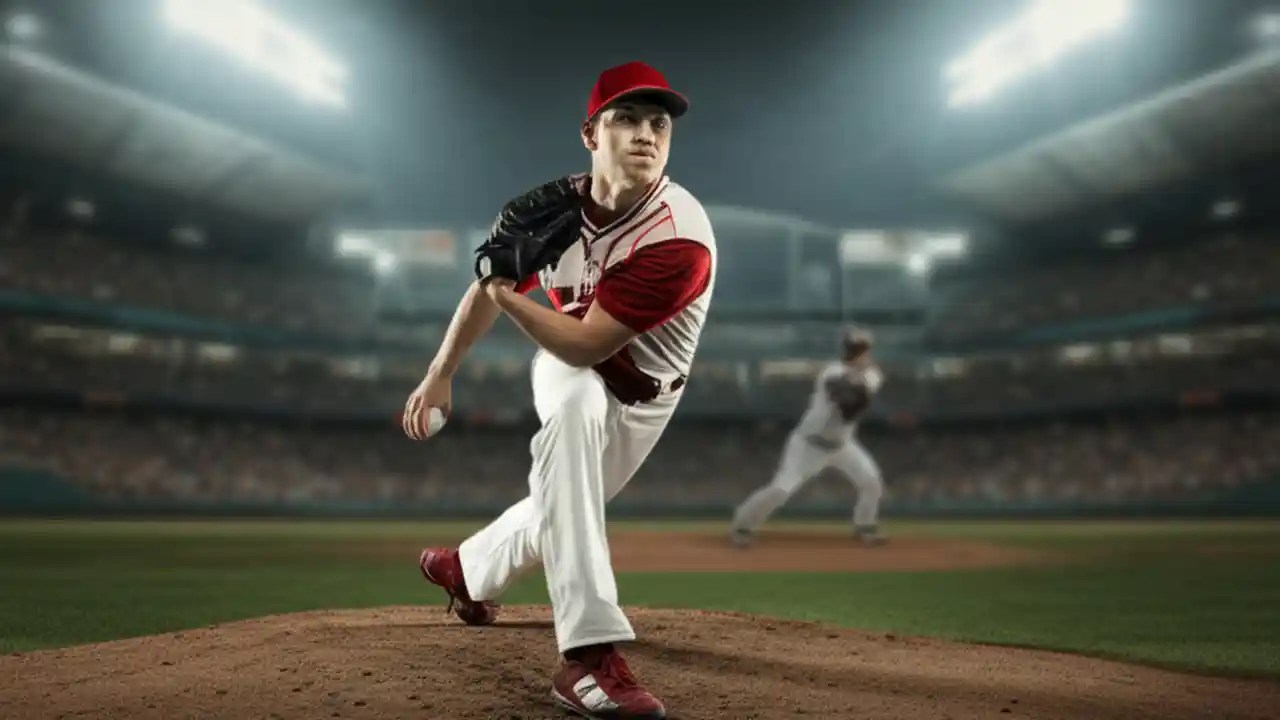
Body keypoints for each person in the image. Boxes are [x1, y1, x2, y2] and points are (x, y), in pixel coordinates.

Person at [401, 61, 715, 720]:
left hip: (648, 391)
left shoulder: (679, 238)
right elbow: (537, 330)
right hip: (573, 372)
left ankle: (466, 568)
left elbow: (580, 336)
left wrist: (500, 288)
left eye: (658, 123)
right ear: (589, 134)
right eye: (625, 119)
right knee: (571, 412)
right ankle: (589, 656)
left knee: (564, 501)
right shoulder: (553, 209)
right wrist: (441, 371)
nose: (645, 134)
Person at [730, 326, 887, 547]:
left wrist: (859, 387)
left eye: (862, 349)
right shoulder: (832, 371)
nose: (858, 353)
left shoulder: (873, 375)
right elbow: (845, 402)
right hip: (809, 444)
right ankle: (743, 525)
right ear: (847, 350)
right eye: (854, 349)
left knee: (872, 482)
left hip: (843, 445)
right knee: (781, 489)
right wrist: (857, 388)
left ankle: (865, 525)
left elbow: (857, 404)